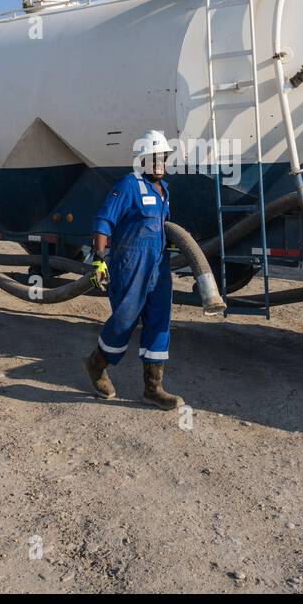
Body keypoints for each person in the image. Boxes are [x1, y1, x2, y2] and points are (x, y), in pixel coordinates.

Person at [83, 130, 182, 410]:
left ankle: (153, 389)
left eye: (164, 158)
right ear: (144, 160)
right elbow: (104, 220)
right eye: (156, 158)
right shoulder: (129, 185)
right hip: (130, 265)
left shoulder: (164, 190)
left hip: (158, 267)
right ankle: (96, 364)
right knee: (125, 319)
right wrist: (99, 259)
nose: (161, 163)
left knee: (160, 321)